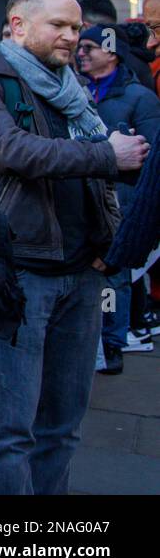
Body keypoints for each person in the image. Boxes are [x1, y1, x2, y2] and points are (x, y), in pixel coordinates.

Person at [0, 0, 149, 495]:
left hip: (81, 275)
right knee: (10, 431)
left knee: (61, 428)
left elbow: (98, 179)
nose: (71, 37)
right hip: (18, 275)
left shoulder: (71, 90)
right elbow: (13, 151)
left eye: (77, 27)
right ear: (18, 25)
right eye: (58, 24)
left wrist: (111, 246)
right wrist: (109, 154)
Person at [76, 24, 160, 374]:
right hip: (85, 200)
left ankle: (112, 346)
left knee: (115, 277)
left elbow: (153, 157)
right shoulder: (77, 90)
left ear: (111, 52)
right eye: (80, 47)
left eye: (89, 47)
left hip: (122, 200)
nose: (81, 52)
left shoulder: (139, 98)